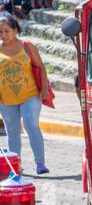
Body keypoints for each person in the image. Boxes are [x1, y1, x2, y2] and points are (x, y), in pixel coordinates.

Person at [0, 12, 51, 175]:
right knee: (12, 131)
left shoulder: (27, 46)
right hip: (6, 98)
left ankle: (40, 163)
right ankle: (16, 165)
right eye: (0, 32)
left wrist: (44, 89)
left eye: (6, 31)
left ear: (15, 30)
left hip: (30, 95)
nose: (3, 35)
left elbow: (41, 67)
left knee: (30, 124)